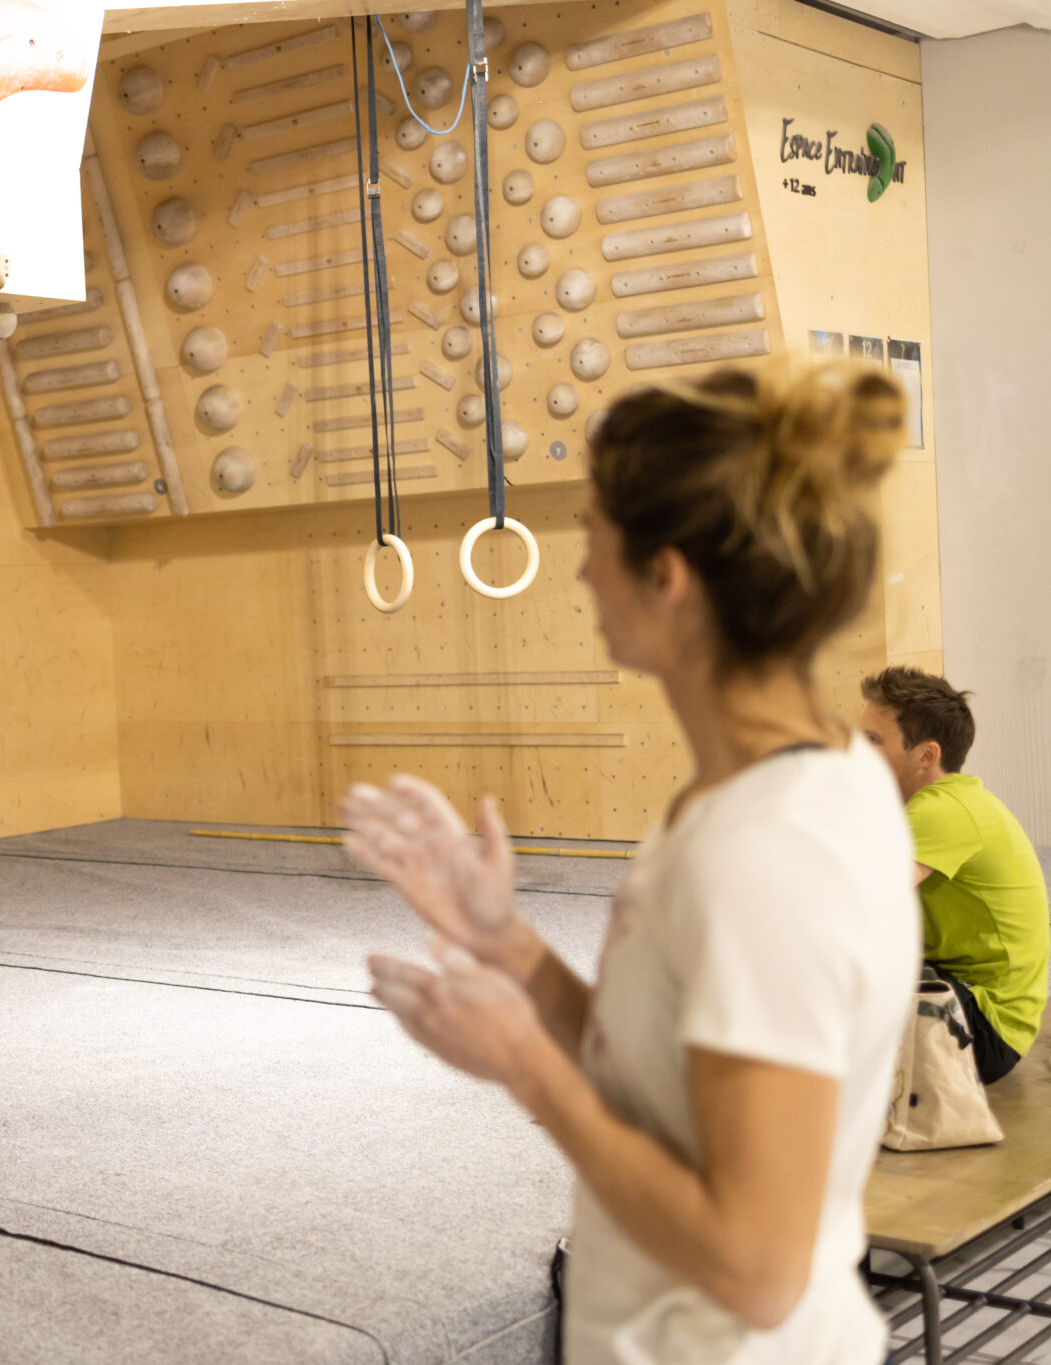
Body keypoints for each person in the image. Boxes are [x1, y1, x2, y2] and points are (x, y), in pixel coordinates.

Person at [343, 366, 918, 1363]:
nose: (578, 575)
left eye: (592, 541)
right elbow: (643, 1074)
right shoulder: (758, 787)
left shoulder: (768, 853)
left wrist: (522, 1066)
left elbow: (755, 1269)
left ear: (667, 578)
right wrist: (501, 940)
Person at [861, 666, 1049, 1082]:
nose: (857, 750)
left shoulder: (941, 811)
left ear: (927, 755)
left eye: (874, 740)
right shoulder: (926, 806)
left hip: (985, 1029)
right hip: (960, 997)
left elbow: (853, 902)